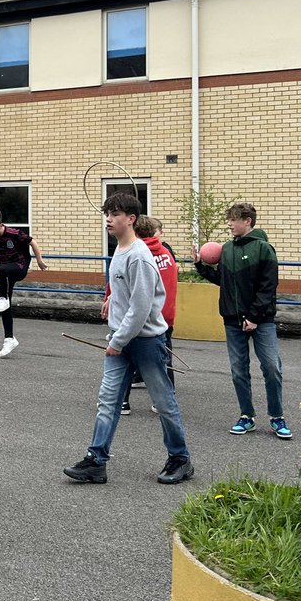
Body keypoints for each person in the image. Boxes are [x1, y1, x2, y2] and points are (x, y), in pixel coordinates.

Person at [64, 192, 193, 485]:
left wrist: (118, 341)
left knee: (163, 401)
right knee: (108, 401)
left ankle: (181, 459)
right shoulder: (120, 251)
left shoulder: (139, 256)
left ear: (131, 219)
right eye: (107, 213)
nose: (108, 219)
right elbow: (126, 298)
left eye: (115, 214)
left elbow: (142, 307)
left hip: (146, 342)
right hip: (121, 339)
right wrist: (112, 304)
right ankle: (96, 461)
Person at [194, 201, 291, 439]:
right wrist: (200, 265)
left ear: (247, 221)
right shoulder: (227, 249)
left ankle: (277, 417)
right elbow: (224, 281)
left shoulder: (264, 249)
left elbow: (268, 287)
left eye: (233, 219)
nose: (229, 224)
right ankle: (246, 416)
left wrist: (254, 317)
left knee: (271, 367)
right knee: (239, 370)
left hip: (261, 321)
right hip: (232, 320)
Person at [105, 215, 178, 414]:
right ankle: (163, 401)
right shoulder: (165, 252)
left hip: (143, 319)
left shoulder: (135, 254)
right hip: (164, 317)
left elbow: (125, 288)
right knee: (163, 361)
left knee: (126, 356)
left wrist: (110, 298)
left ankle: (124, 402)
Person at [0, 212, 47, 357]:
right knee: (5, 305)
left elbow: (32, 242)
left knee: (2, 269)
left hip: (20, 266)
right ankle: (9, 339)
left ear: (0, 226)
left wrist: (39, 260)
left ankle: (2, 298)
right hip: (5, 274)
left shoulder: (14, 233)